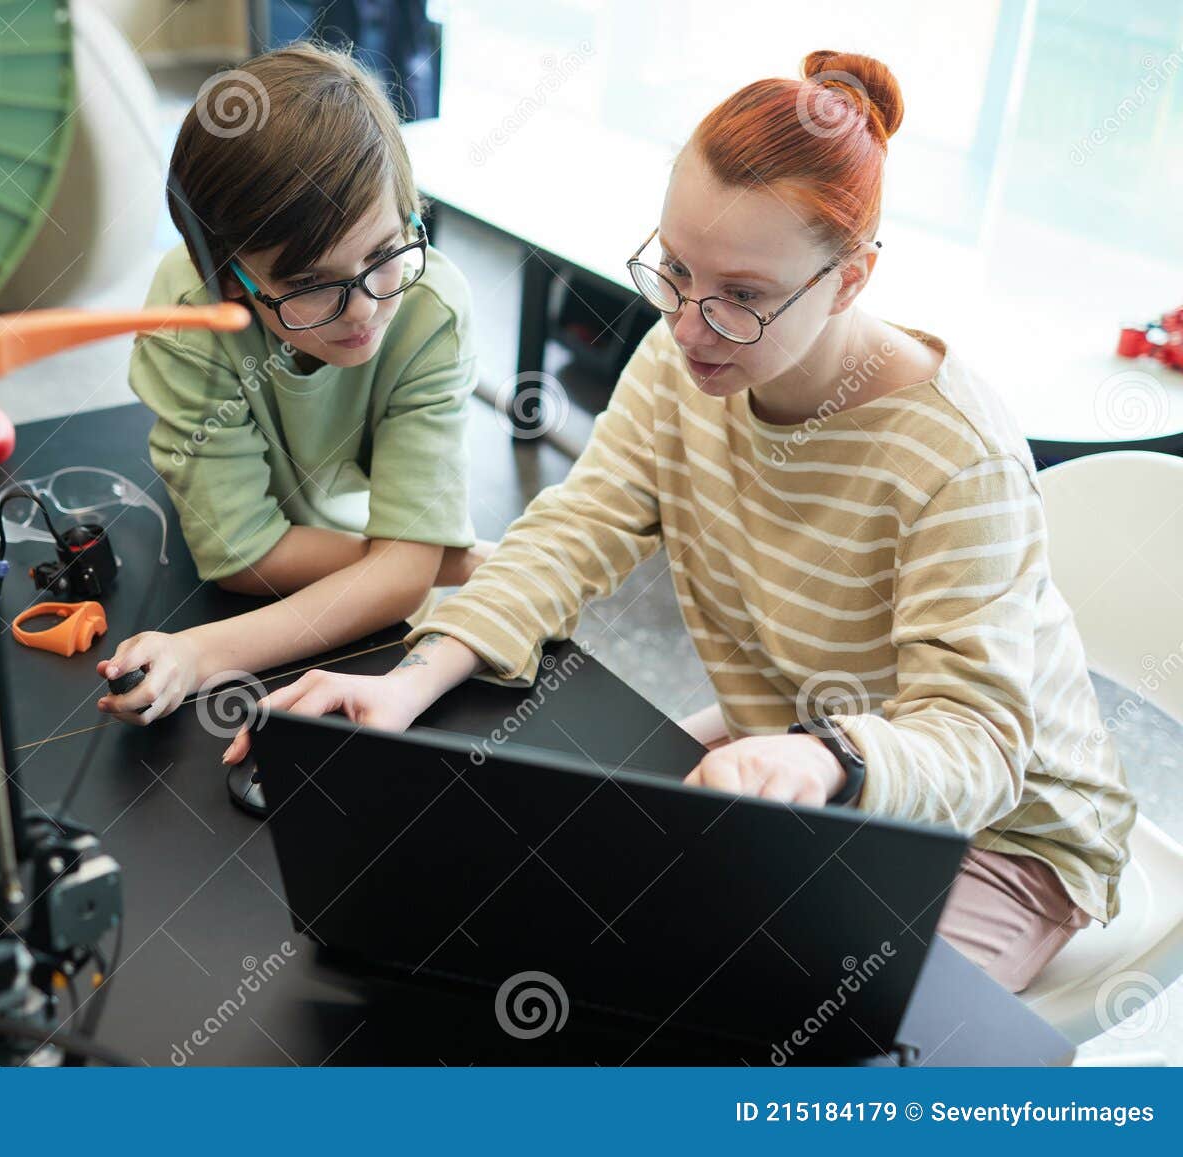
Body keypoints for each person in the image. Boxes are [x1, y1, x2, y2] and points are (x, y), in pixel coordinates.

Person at [224, 51, 1135, 993]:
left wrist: (829, 758)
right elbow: (577, 528)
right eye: (675, 269)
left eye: (743, 295)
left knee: (787, 1013)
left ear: (851, 279)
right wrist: (411, 681)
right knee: (564, 915)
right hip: (790, 745)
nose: (690, 326)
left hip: (1001, 833)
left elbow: (980, 742)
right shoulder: (686, 361)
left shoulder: (958, 460)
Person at [99, 43, 487, 724]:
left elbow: (400, 581)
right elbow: (243, 555)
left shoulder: (432, 311)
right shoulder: (188, 318)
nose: (363, 309)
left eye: (383, 253)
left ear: (411, 212)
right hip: (241, 568)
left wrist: (407, 564)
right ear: (229, 280)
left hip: (332, 551)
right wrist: (422, 559)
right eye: (310, 283)